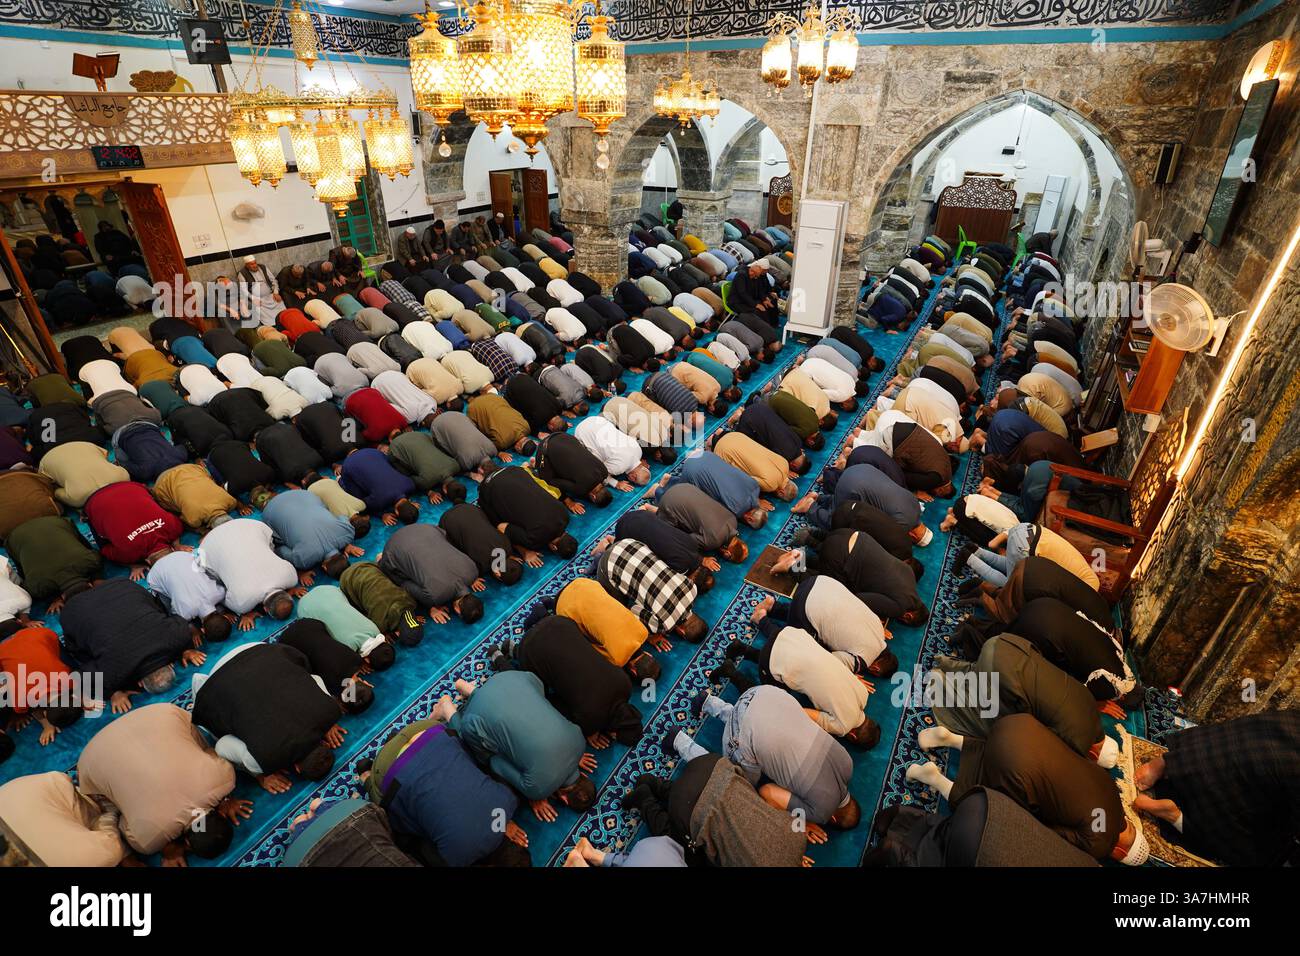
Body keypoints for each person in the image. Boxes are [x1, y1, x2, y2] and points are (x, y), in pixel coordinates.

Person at [907, 713, 1146, 864]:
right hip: (1015, 768)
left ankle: (951, 738)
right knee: (1008, 804)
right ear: (1121, 854)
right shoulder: (1101, 843)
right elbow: (1049, 834)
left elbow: (1096, 815)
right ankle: (936, 779)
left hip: (1017, 725)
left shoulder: (1113, 792)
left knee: (1008, 755)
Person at [669, 684, 860, 835]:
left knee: (760, 723)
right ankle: (679, 741)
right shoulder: (822, 812)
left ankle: (708, 702)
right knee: (734, 783)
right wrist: (801, 820)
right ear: (833, 819)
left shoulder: (847, 763)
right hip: (743, 731)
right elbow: (767, 792)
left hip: (764, 695)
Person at [76, 703, 249, 864]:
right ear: (186, 843)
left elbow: (210, 753)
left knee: (201, 751)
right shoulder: (147, 841)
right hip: (93, 757)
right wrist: (170, 850)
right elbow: (123, 823)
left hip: (159, 713)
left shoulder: (225, 780)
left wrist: (225, 798)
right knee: (112, 807)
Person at [1131, 711, 1300, 866]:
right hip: (1213, 795)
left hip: (1195, 750)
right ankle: (1178, 816)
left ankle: (1166, 762)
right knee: (1263, 857)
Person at [359, 718, 529, 866]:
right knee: (396, 823)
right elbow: (418, 846)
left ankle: (400, 741)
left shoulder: (509, 801)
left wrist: (502, 823)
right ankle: (366, 776)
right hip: (388, 765)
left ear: (515, 841)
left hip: (427, 730)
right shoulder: (456, 859)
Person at [431, 671, 597, 822]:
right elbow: (496, 763)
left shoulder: (580, 742)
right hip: (478, 714)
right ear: (564, 799)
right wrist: (535, 790)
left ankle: (468, 689)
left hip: (512, 679)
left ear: (584, 775)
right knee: (479, 754)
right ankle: (447, 708)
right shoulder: (538, 789)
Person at [191, 642, 354, 793]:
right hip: (217, 679)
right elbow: (222, 746)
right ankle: (200, 685)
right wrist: (260, 775)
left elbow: (315, 679)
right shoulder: (262, 761)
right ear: (296, 768)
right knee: (216, 730)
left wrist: (327, 721)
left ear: (325, 744)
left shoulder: (330, 710)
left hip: (261, 651)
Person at [718, 610, 879, 748]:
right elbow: (801, 713)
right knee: (768, 703)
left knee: (798, 664)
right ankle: (731, 672)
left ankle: (742, 649)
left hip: (794, 635)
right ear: (853, 736)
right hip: (773, 658)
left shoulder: (863, 693)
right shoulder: (843, 727)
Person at [490, 615, 642, 749]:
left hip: (560, 623)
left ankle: (514, 649)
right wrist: (588, 731)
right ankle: (498, 658)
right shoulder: (591, 718)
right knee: (532, 694)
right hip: (532, 649)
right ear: (614, 732)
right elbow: (556, 706)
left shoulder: (626, 685)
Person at [623, 756, 808, 866]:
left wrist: (792, 856)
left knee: (721, 798)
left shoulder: (799, 837)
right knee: (686, 854)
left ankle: (658, 785)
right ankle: (645, 800)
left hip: (712, 765)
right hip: (687, 808)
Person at [59, 578, 204, 714]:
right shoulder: (112, 674)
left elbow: (181, 623)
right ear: (140, 683)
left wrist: (186, 648)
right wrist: (113, 693)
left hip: (120, 587)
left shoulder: (177, 637)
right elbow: (83, 674)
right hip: (77, 608)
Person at [592, 537, 706, 644]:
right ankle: (601, 557)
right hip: (609, 565)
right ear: (682, 632)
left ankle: (609, 545)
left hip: (632, 544)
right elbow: (633, 610)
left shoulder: (692, 588)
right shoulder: (663, 625)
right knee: (619, 609)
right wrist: (651, 636)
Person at [0, 771, 126, 866]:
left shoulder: (103, 853)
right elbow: (112, 844)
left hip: (42, 787)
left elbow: (112, 843)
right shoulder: (98, 854)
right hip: (14, 788)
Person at [196, 517, 302, 629]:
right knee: (213, 576)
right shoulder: (241, 604)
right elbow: (222, 598)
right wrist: (245, 612)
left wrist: (291, 589)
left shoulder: (291, 578)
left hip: (246, 525)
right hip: (209, 544)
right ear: (265, 609)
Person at [378, 523, 485, 624]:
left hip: (425, 529)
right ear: (457, 610)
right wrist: (431, 607)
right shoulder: (436, 598)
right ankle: (381, 560)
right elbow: (406, 586)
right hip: (395, 546)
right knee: (397, 580)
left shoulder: (473, 571)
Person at [476, 465, 577, 563]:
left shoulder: (565, 515)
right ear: (554, 547)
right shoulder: (535, 540)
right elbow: (502, 527)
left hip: (513, 470)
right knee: (495, 522)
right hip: (488, 487)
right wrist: (524, 551)